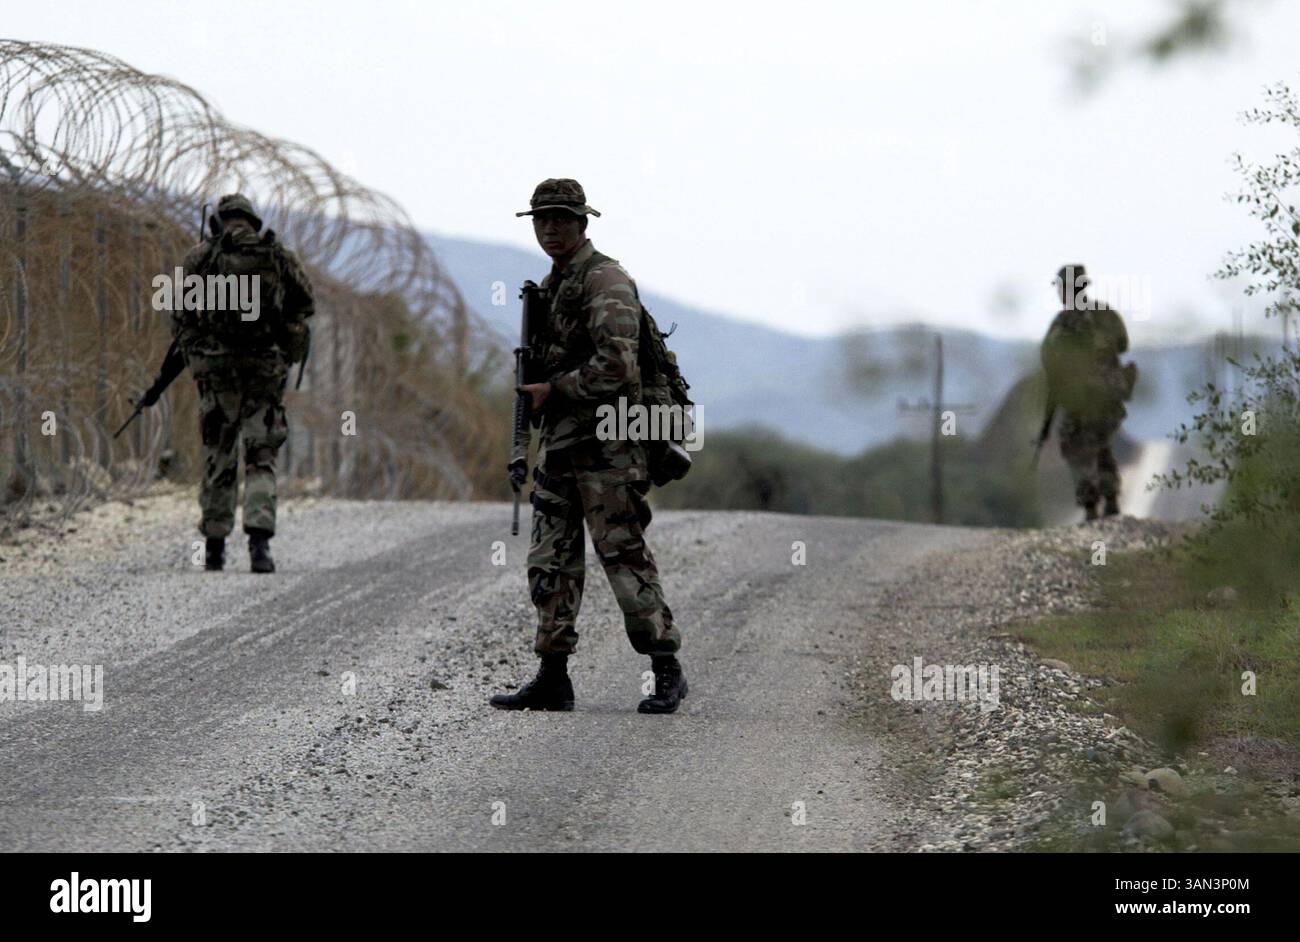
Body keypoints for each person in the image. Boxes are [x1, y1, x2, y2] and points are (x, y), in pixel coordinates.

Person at [490, 178, 686, 714]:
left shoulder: (606, 281)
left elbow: (618, 366)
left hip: (610, 442)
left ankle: (666, 668)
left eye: (560, 219)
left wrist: (556, 389)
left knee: (622, 554)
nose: (550, 228)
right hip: (563, 441)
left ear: (583, 222)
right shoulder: (555, 285)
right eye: (541, 220)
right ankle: (553, 676)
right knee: (550, 559)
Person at [171, 193, 314, 572]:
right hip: (264, 369)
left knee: (219, 453)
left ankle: (215, 547)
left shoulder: (201, 256)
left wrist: (197, 354)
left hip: (218, 372)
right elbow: (305, 302)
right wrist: (284, 342)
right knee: (260, 456)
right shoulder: (277, 254)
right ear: (253, 220)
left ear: (219, 221)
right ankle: (259, 547)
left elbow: (179, 311)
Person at [1038, 263, 1134, 521]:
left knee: (1074, 449)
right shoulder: (1106, 315)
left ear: (1066, 290)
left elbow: (1051, 367)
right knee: (1101, 444)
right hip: (1109, 398)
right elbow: (1123, 345)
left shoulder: (1061, 325)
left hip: (1080, 401)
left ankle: (1091, 505)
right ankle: (1111, 499)